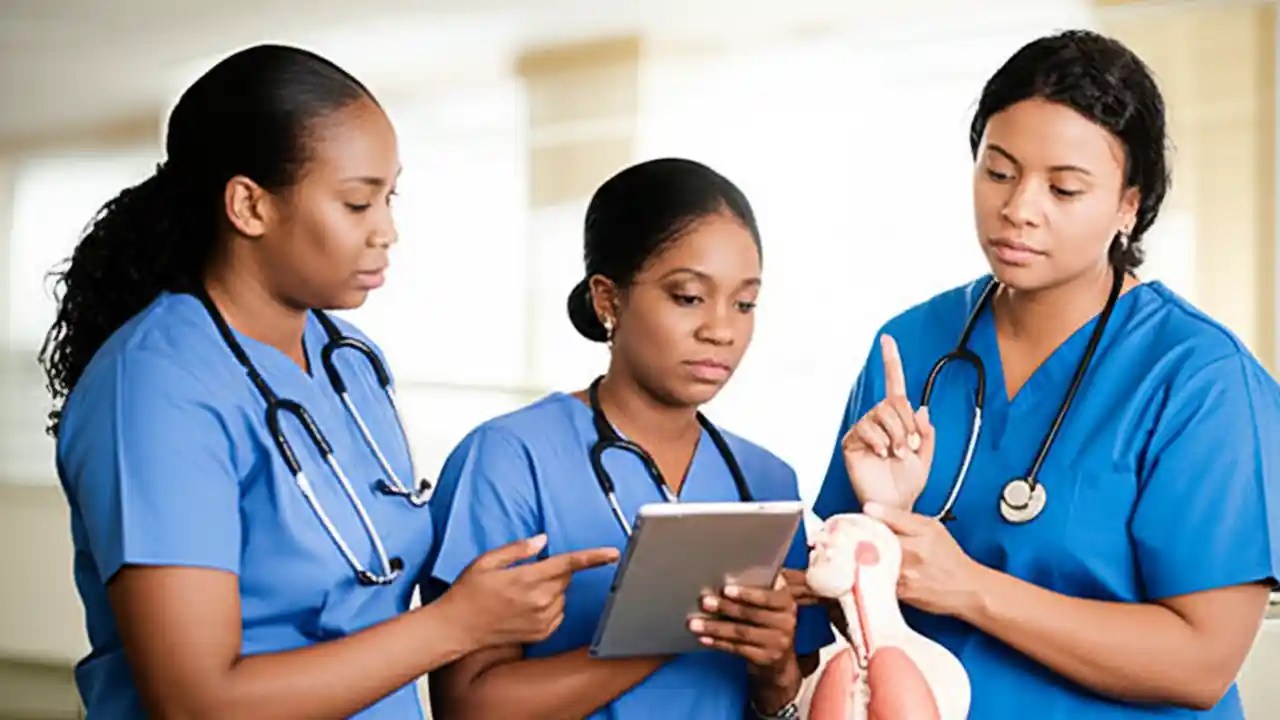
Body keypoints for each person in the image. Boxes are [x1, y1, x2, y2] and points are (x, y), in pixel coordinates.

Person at [39, 44, 617, 719]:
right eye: (357, 203)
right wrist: (456, 625)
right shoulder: (155, 387)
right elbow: (196, 702)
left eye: (388, 198)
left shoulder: (350, 360)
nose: (387, 232)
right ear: (249, 206)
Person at [812, 29, 1280, 719]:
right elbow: (833, 599)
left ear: (1128, 205)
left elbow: (1202, 662)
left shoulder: (1201, 380)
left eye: (1064, 188)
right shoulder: (912, 346)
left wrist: (970, 588)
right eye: (999, 173)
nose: (1019, 209)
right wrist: (883, 527)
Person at [422, 157, 834, 719]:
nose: (721, 330)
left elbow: (782, 694)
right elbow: (468, 707)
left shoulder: (766, 481)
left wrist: (776, 669)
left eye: (744, 303)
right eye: (688, 296)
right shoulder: (509, 459)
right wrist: (678, 625)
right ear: (608, 300)